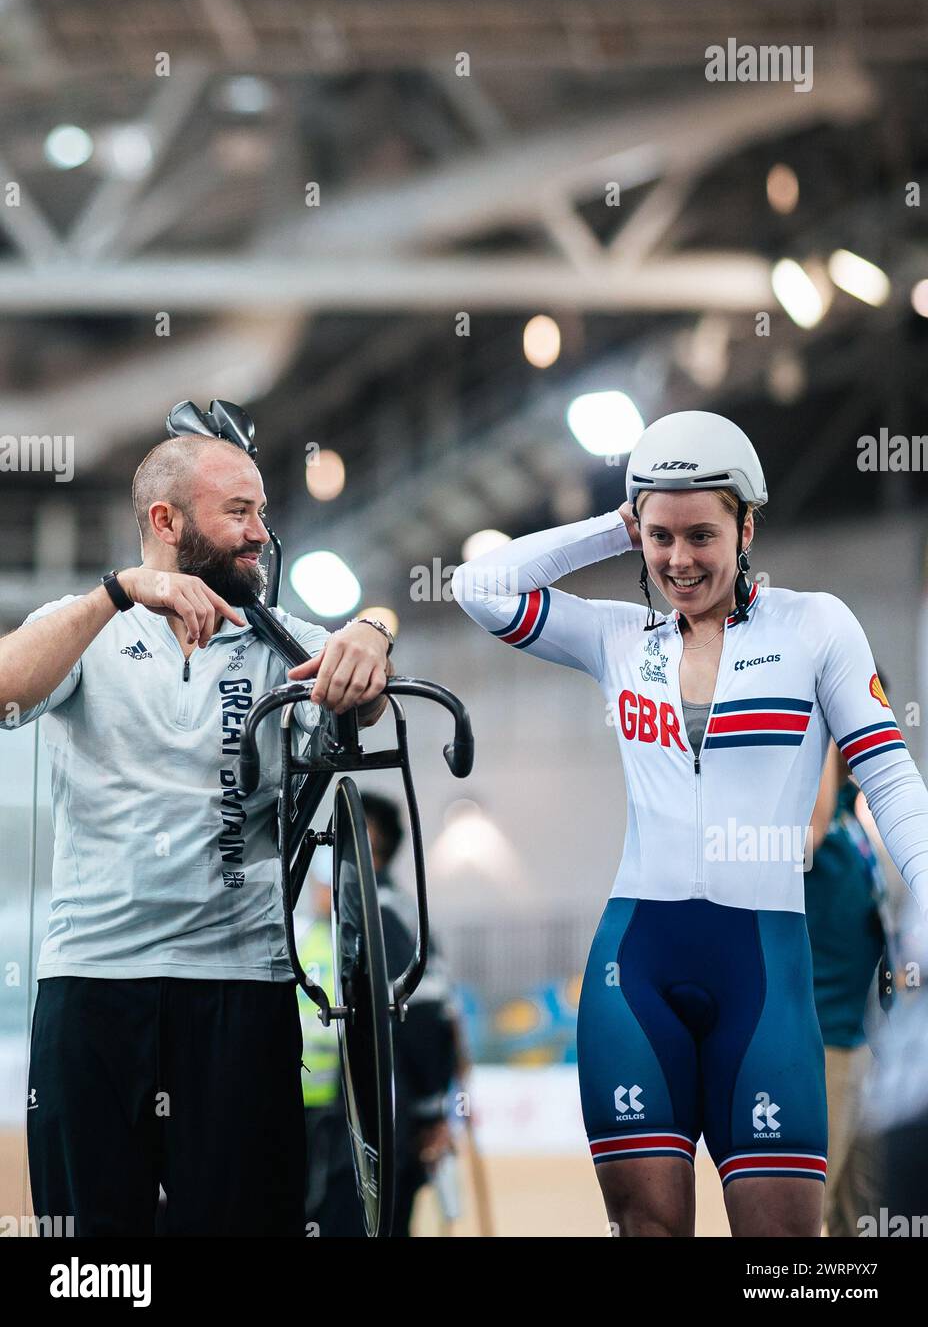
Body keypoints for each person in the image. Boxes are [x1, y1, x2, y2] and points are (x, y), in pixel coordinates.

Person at [451, 409, 928, 1237]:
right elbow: (480, 587)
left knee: (782, 1247)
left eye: (702, 534)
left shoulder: (816, 626)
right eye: (659, 536)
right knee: (648, 1231)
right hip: (635, 968)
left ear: (748, 526)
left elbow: (887, 773)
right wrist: (616, 520)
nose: (678, 560)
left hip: (767, 977)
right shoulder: (614, 637)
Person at [0, 432, 394, 1236]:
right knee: (92, 1261)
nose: (261, 533)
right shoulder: (86, 626)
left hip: (240, 988)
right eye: (239, 512)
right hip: (94, 985)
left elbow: (366, 695)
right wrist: (115, 594)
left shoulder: (282, 638)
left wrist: (375, 632)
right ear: (166, 521)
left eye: (263, 513)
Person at [298, 792, 457, 1237]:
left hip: (375, 1116)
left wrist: (429, 1110)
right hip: (383, 1111)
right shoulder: (399, 909)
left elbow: (423, 1015)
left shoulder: (379, 916)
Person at [805, 691, 895, 1237]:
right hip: (821, 1044)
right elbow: (809, 836)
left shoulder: (854, 816)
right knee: (809, 1210)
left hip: (862, 1042)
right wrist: (819, 739)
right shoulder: (807, 818)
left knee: (854, 1213)